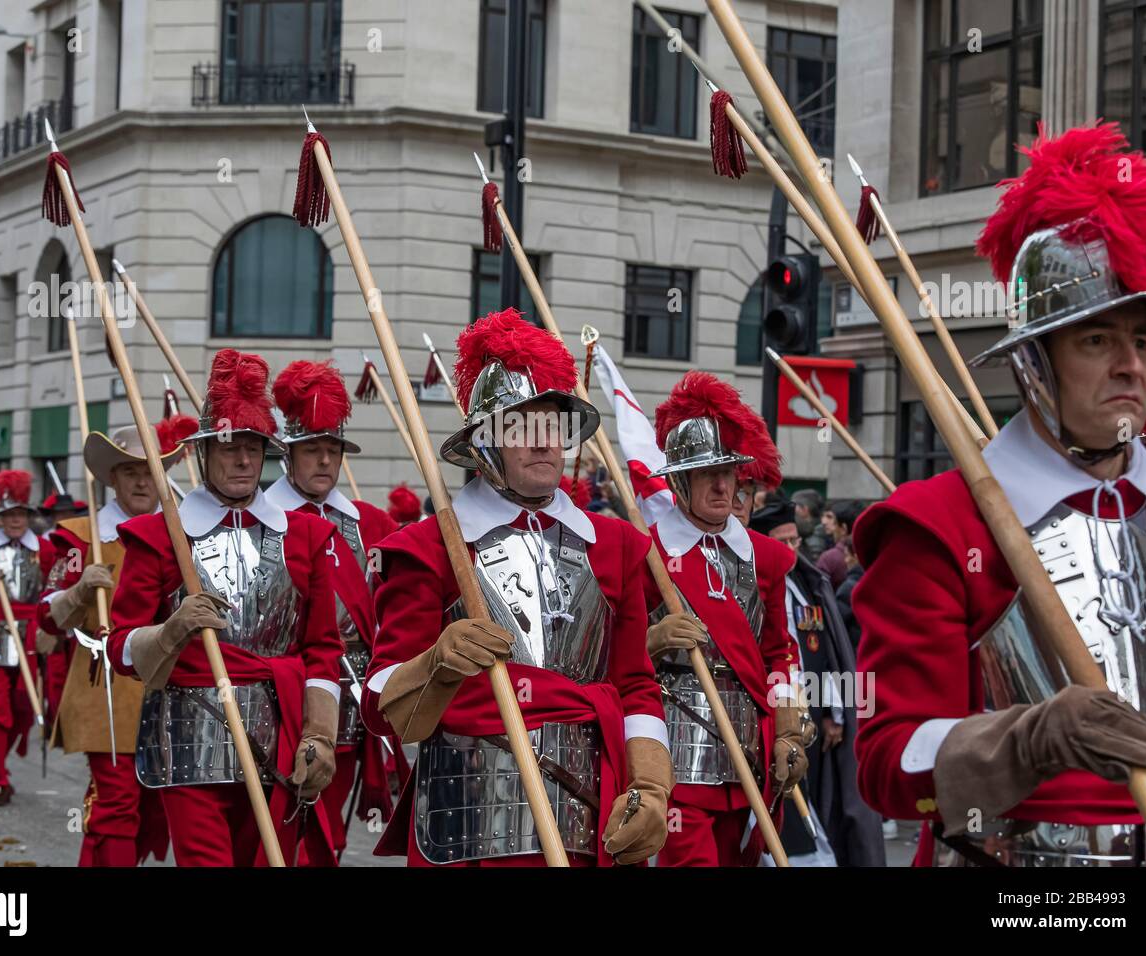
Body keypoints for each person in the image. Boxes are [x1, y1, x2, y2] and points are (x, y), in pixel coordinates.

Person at [853, 124, 1146, 866]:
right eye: (1096, 340)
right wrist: (1024, 742)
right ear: (1035, 363)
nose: (1130, 364)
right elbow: (887, 764)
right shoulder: (935, 525)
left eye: (1144, 340)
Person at [362, 308, 673, 867]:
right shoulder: (427, 547)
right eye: (520, 428)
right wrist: (435, 664)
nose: (541, 444)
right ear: (486, 444)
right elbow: (384, 707)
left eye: (551, 427)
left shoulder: (617, 546)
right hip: (471, 818)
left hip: (589, 810)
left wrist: (651, 784)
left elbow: (636, 686)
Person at [107, 349, 344, 866]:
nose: (242, 460)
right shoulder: (158, 535)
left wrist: (320, 734)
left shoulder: (306, 536)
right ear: (202, 454)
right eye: (229, 447)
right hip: (190, 735)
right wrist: (171, 631)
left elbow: (323, 649)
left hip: (280, 737)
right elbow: (121, 650)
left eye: (254, 448)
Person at [642, 371, 808, 866]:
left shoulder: (768, 558)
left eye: (728, 471)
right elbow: (611, 654)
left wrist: (786, 729)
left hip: (749, 749)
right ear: (678, 480)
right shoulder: (645, 553)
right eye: (704, 473)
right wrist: (653, 639)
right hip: (679, 744)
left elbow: (779, 653)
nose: (721, 484)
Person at [38, 416, 194, 866]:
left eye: (150, 471)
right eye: (131, 472)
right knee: (117, 804)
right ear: (112, 478)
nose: (143, 482)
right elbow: (45, 620)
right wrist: (77, 591)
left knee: (155, 807)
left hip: (170, 685)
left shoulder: (182, 533)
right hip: (104, 685)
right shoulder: (78, 536)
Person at [267, 359, 405, 864]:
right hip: (283, 694)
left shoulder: (372, 523)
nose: (324, 461)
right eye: (312, 451)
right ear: (289, 455)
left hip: (352, 699)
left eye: (332, 451)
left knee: (330, 836)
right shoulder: (265, 521)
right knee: (280, 826)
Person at [753, 499, 885, 866]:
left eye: (795, 540)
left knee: (820, 796)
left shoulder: (807, 584)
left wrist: (835, 714)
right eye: (783, 541)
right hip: (771, 715)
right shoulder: (755, 586)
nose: (792, 549)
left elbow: (826, 653)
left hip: (810, 711)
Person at [0, 469, 56, 806]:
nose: (15, 520)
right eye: (9, 515)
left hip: (29, 636)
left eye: (20, 514)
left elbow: (54, 590)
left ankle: (1, 761)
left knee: (25, 708)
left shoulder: (43, 549)